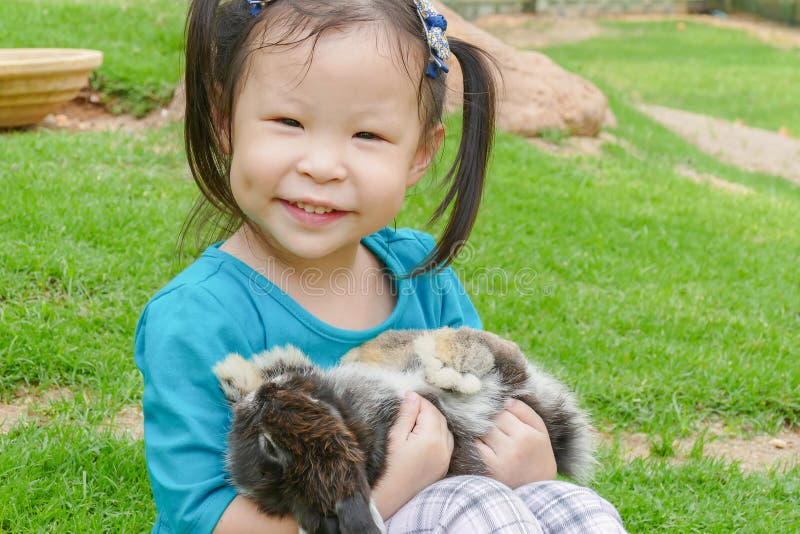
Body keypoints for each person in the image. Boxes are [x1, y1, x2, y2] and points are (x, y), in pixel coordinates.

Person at [134, 0, 627, 532]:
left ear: (420, 153)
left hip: (455, 511)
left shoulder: (420, 271)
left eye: (367, 135)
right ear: (224, 120)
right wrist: (387, 491)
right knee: (476, 506)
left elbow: (481, 407)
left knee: (581, 509)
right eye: (288, 121)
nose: (322, 166)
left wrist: (533, 468)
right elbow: (203, 518)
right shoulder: (194, 318)